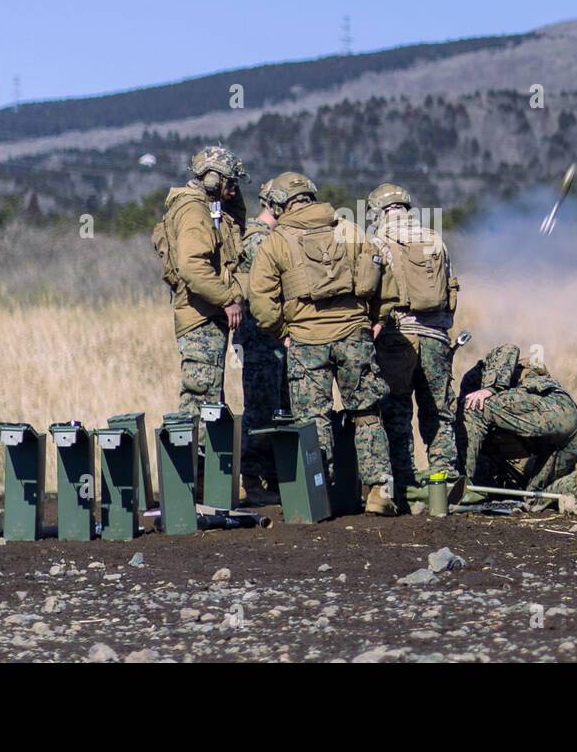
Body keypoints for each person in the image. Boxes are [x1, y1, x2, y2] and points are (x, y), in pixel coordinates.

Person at [247, 171, 397, 515]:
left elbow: (261, 300)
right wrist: (374, 320)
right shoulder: (349, 229)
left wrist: (282, 332)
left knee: (313, 419)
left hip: (304, 339)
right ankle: (378, 491)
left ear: (282, 204)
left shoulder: (276, 241)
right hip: (354, 336)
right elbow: (383, 280)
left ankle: (319, 495)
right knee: (367, 413)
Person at [367, 182, 461, 499]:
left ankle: (404, 482)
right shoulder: (435, 240)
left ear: (378, 211)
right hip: (436, 336)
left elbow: (372, 293)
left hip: (397, 337)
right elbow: (451, 292)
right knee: (438, 412)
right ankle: (445, 480)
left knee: (396, 410)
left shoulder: (377, 243)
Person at [150, 147, 248, 440]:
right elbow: (192, 267)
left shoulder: (205, 206)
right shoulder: (194, 211)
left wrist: (232, 194)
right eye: (229, 182)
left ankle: (203, 479)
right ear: (213, 179)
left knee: (208, 399)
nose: (232, 189)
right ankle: (196, 480)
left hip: (205, 314)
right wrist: (227, 299)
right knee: (201, 403)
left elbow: (237, 229)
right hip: (200, 317)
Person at [458, 344, 577, 498]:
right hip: (573, 427)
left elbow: (509, 348)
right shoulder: (536, 393)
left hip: (551, 422)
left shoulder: (493, 380)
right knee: (534, 497)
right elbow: (566, 419)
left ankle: (463, 489)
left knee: (473, 406)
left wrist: (490, 389)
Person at [234, 185, 286, 506]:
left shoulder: (270, 237)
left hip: (272, 338)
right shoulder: (257, 239)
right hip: (260, 339)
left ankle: (271, 477)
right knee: (260, 409)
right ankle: (251, 479)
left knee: (276, 408)